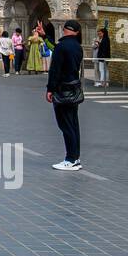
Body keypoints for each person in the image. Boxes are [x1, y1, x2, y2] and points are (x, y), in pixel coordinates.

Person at [46, 20, 85, 171]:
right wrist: (46, 37)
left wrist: (50, 89)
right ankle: (76, 157)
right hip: (74, 89)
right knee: (73, 124)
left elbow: (55, 70)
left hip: (63, 89)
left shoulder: (62, 46)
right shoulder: (77, 46)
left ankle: (70, 159)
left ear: (65, 30)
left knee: (66, 125)